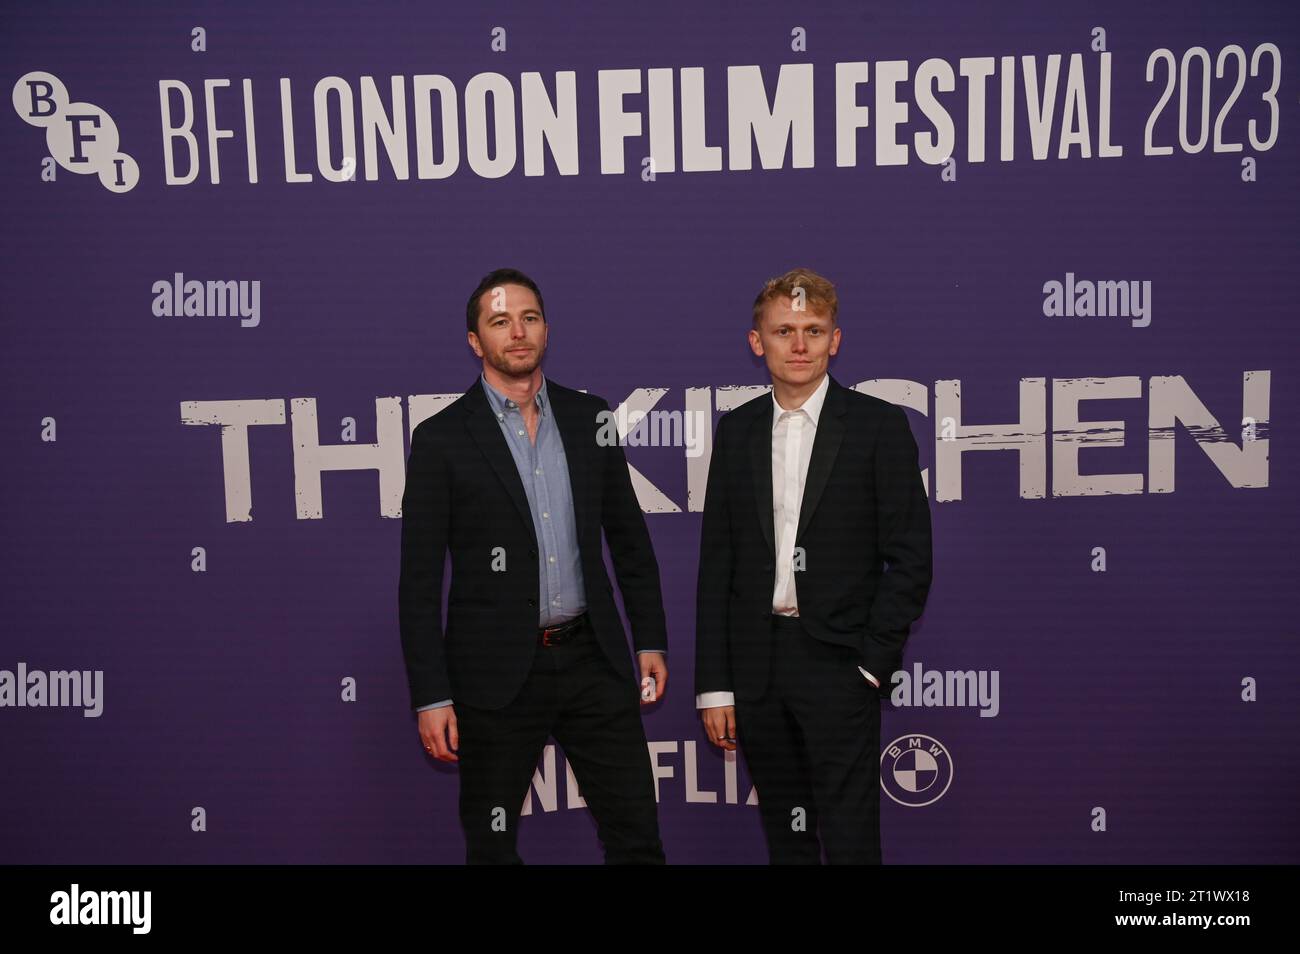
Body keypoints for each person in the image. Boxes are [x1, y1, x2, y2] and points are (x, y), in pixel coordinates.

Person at [398, 268, 668, 864]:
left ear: (546, 329)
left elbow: (629, 540)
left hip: (593, 661)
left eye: (529, 318)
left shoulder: (589, 415)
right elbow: (418, 583)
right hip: (493, 677)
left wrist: (650, 637)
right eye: (499, 322)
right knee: (492, 849)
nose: (517, 333)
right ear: (476, 341)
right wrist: (431, 696)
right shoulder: (441, 439)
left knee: (637, 838)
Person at [695, 267, 933, 864]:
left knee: (852, 843)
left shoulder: (879, 426)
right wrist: (715, 685)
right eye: (783, 331)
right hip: (757, 667)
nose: (798, 345)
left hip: (840, 665)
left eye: (813, 330)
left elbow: (910, 557)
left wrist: (873, 666)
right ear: (758, 342)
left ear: (835, 339)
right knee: (787, 838)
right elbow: (716, 564)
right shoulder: (737, 431)